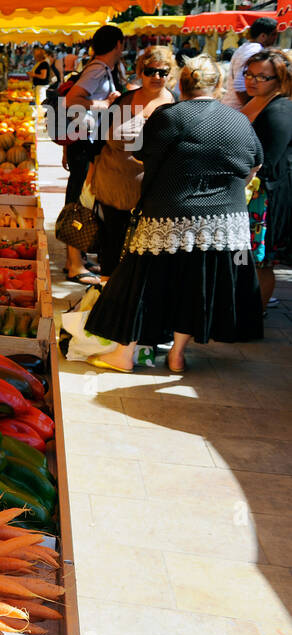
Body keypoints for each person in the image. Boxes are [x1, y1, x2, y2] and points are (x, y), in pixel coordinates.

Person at [83, 57, 264, 373]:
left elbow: (140, 154)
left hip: (170, 213)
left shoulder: (169, 116)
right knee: (195, 285)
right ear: (219, 86)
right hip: (224, 221)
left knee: (141, 282)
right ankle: (177, 355)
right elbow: (254, 166)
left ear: (181, 85)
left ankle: (124, 355)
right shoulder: (239, 120)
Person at [87, 47, 176, 279]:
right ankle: (106, 294)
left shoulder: (176, 106)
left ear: (171, 73)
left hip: (152, 193)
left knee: (144, 249)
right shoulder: (123, 101)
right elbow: (97, 140)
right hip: (112, 187)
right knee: (110, 244)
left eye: (163, 72)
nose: (156, 77)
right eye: (150, 71)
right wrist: (90, 173)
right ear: (140, 72)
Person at [61, 24, 124, 286]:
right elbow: (73, 99)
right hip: (85, 144)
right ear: (118, 44)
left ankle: (78, 257)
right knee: (79, 202)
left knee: (81, 199)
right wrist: (105, 104)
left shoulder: (97, 68)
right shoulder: (98, 69)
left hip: (83, 143)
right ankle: (74, 263)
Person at [241, 50, 292, 311]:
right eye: (249, 74)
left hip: (264, 196)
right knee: (244, 258)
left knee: (261, 260)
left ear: (280, 79)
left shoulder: (280, 108)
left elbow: (268, 160)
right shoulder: (254, 101)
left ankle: (255, 313)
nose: (253, 81)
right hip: (248, 191)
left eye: (262, 77)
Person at [228, 17, 279, 107]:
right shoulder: (255, 50)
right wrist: (251, 109)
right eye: (273, 34)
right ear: (263, 36)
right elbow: (239, 86)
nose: (275, 38)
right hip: (238, 111)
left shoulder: (245, 47)